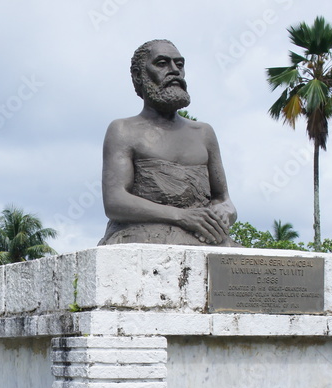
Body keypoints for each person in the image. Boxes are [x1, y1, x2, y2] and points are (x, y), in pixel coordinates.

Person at [100, 39, 238, 246]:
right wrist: (182, 217)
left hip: (204, 236)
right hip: (142, 237)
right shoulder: (123, 130)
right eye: (162, 63)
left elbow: (224, 199)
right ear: (139, 75)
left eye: (179, 65)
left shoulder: (203, 133)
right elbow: (115, 201)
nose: (174, 71)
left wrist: (224, 212)